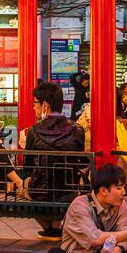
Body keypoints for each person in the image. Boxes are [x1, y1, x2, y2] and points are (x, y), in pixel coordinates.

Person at [22, 82, 86, 240]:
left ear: (44, 105)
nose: (33, 107)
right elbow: (81, 162)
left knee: (23, 186)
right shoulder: (77, 130)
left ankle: (50, 227)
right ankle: (56, 225)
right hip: (68, 192)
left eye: (35, 103)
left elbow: (27, 167)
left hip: (40, 193)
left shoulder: (34, 131)